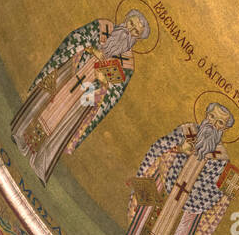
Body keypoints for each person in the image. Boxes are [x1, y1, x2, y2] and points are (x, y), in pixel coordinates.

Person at [119, 104, 239, 235]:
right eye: (211, 116)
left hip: (190, 208)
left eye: (219, 122)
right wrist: (179, 150)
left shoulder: (221, 157)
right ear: (205, 115)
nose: (212, 123)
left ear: (225, 129)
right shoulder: (187, 131)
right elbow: (159, 147)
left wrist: (212, 196)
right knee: (145, 225)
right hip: (164, 191)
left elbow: (213, 189)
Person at [10, 10, 148, 183]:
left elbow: (116, 92)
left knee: (64, 121)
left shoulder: (128, 63)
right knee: (48, 102)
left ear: (138, 38)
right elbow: (77, 38)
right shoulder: (103, 27)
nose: (130, 30)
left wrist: (104, 82)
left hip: (88, 94)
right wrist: (89, 50)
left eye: (136, 31)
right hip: (72, 72)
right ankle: (22, 135)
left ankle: (41, 160)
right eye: (131, 23)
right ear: (125, 19)